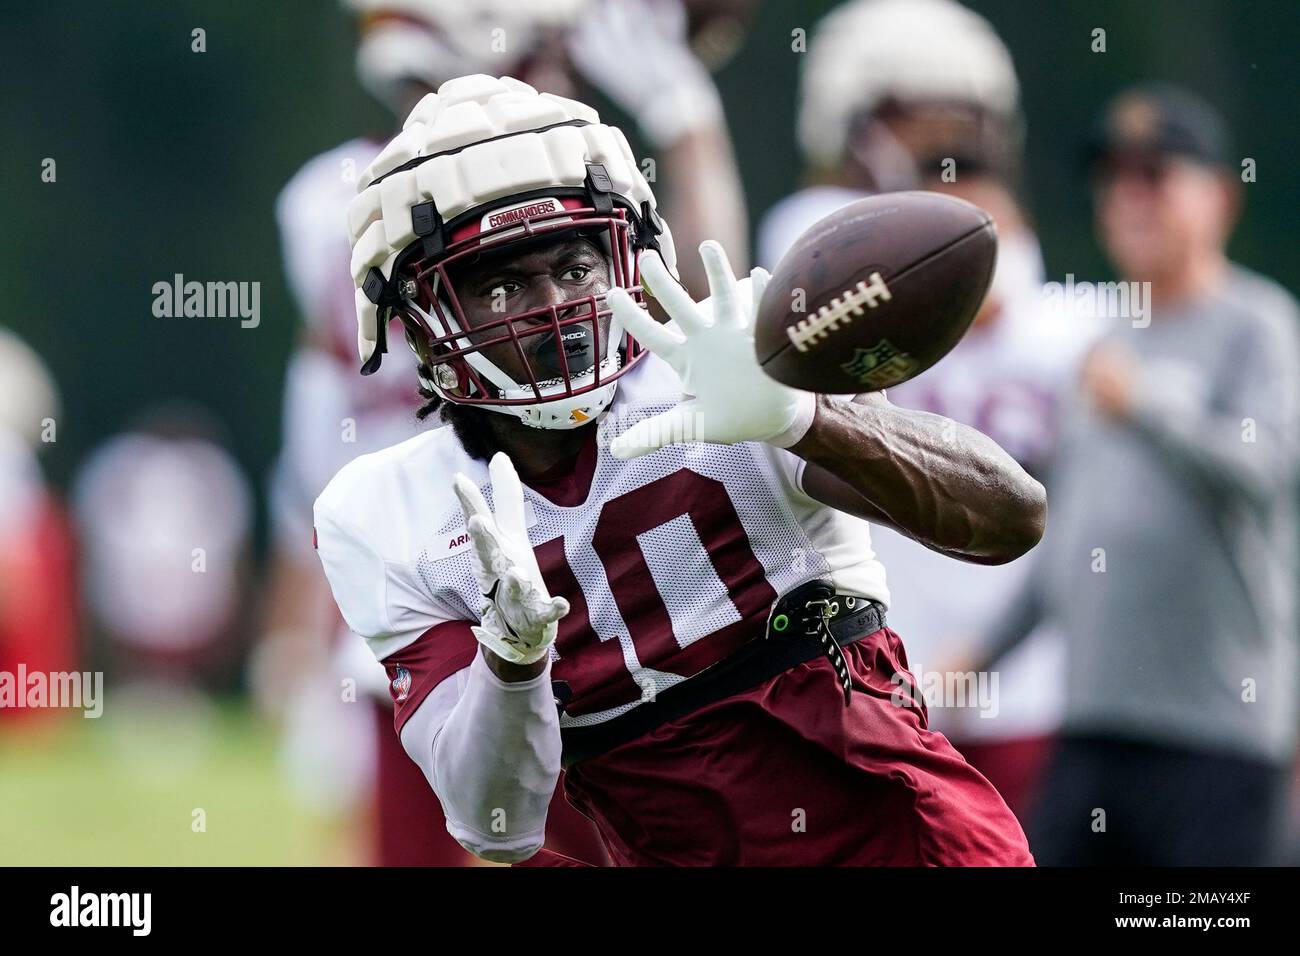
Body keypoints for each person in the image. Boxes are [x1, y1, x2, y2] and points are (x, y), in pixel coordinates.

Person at [312, 74, 1046, 865]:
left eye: (575, 265)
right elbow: (497, 828)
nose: (556, 305)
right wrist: (512, 657)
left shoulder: (724, 373)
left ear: (626, 253)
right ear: (420, 324)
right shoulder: (386, 510)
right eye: (503, 283)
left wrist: (805, 419)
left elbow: (1010, 517)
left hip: (903, 846)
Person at [758, 0, 1098, 821]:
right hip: (880, 652)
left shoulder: (1059, 316)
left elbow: (1018, 295)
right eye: (911, 114)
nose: (935, 138)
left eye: (960, 120)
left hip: (1022, 670)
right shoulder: (814, 238)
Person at [973, 84, 1300, 865]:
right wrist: (977, 657)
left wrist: (1147, 404)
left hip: (1215, 735)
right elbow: (1067, 537)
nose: (1129, 198)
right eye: (1115, 179)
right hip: (1090, 723)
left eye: (1155, 176)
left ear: (1219, 196)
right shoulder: (1100, 344)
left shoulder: (1255, 327)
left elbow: (1266, 470)